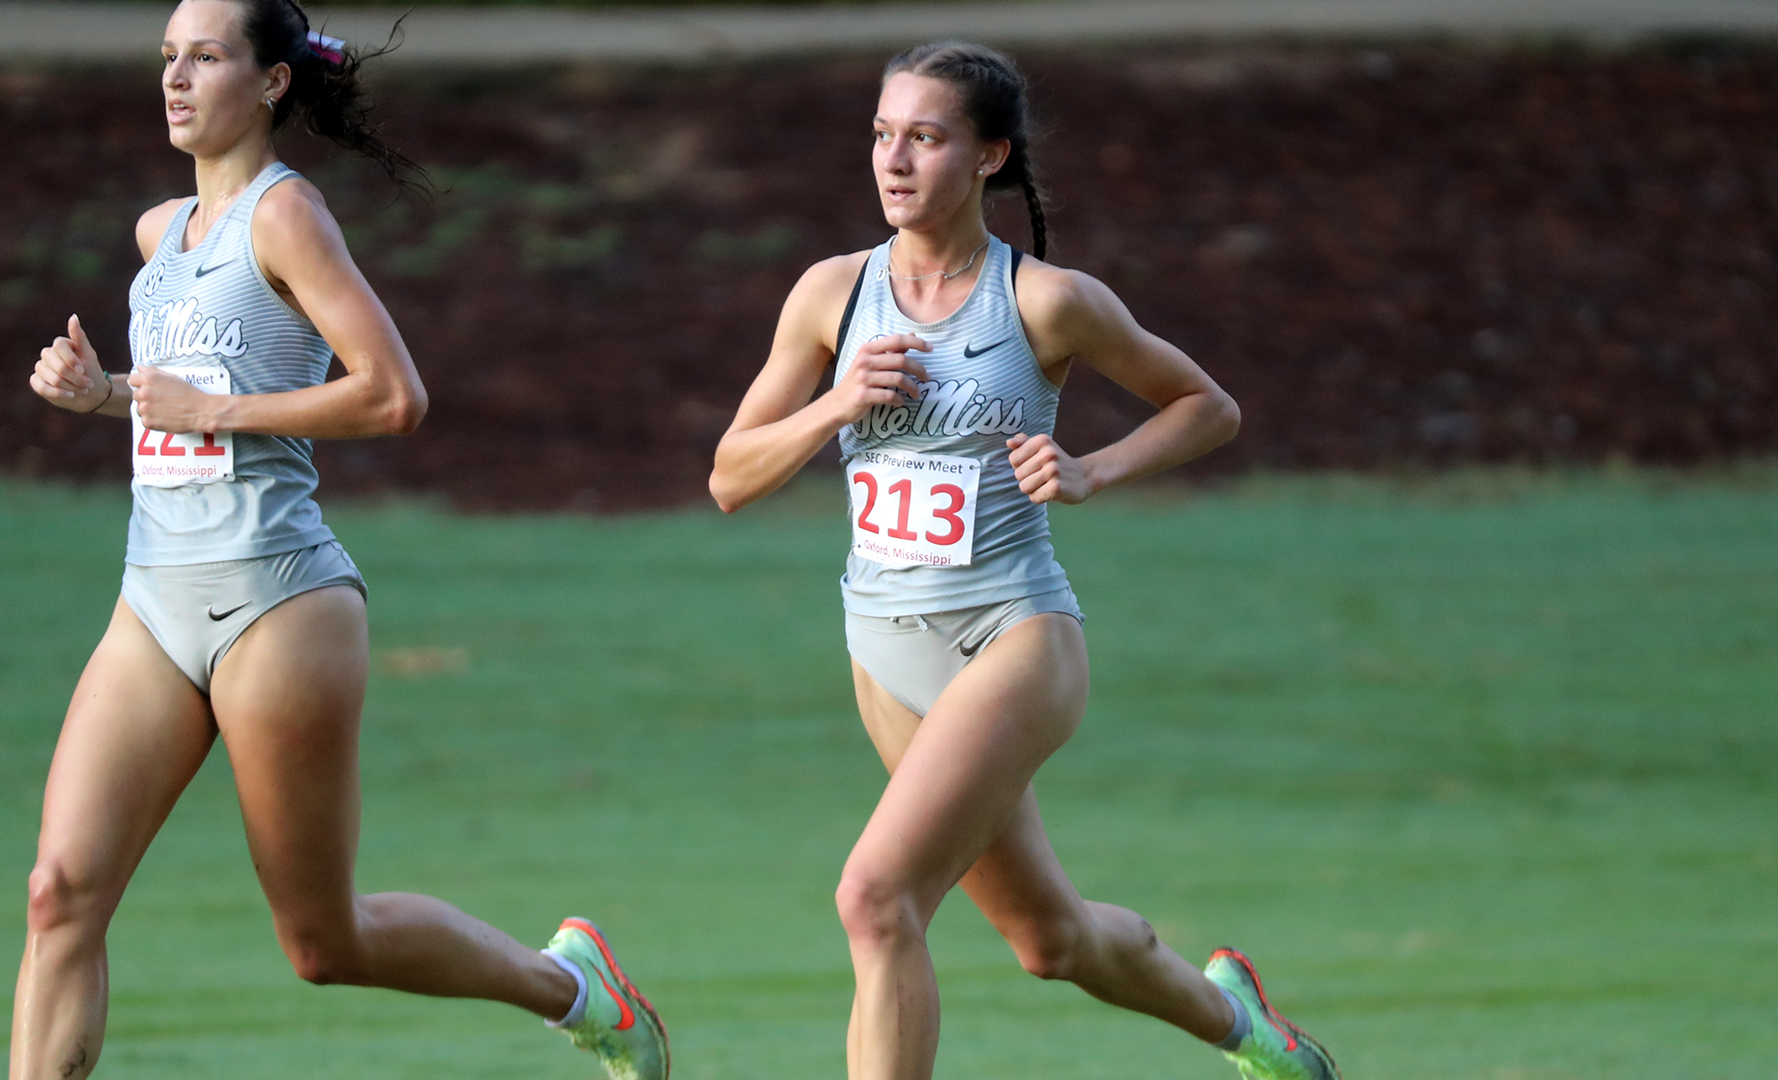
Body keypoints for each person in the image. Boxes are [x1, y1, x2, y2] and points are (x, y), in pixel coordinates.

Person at [16, 3, 665, 1078]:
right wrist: (106, 396)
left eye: (207, 58)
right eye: (167, 57)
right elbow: (187, 395)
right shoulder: (155, 235)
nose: (176, 79)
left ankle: (575, 988)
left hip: (276, 603)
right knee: (58, 894)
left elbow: (391, 395)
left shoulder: (287, 216)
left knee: (323, 944)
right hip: (152, 598)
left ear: (271, 84)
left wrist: (208, 414)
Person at [709, 40, 1339, 1080]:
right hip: (883, 651)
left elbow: (1206, 408)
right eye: (881, 134)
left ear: (990, 155)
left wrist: (1092, 470)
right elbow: (732, 477)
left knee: (875, 898)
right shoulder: (831, 295)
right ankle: (1251, 1033)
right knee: (1051, 944)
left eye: (926, 136)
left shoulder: (1045, 301)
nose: (893, 160)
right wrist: (835, 401)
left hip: (1013, 636)